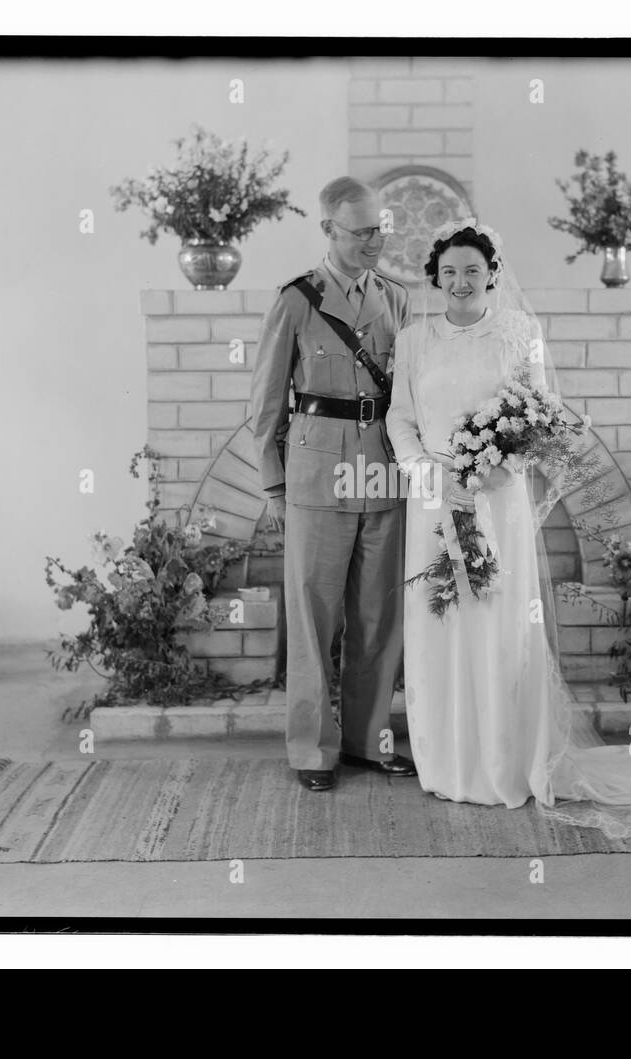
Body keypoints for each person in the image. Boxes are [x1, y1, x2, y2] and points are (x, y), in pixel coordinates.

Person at [386, 219, 631, 837]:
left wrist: (492, 469)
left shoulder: (520, 333)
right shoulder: (412, 340)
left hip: (498, 499)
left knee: (498, 622)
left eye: (472, 270)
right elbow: (399, 418)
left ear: (493, 274)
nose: (460, 282)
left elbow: (537, 418)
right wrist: (426, 470)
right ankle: (448, 762)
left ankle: (507, 761)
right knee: (441, 621)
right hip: (432, 501)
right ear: (435, 276)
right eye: (448, 271)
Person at [249, 176, 417, 792]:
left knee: (378, 618)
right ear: (329, 230)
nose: (375, 241)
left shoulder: (396, 299)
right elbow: (266, 405)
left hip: (384, 474)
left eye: (381, 229)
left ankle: (367, 742)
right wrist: (273, 487)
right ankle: (313, 750)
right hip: (316, 478)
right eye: (362, 231)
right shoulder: (297, 300)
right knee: (315, 621)